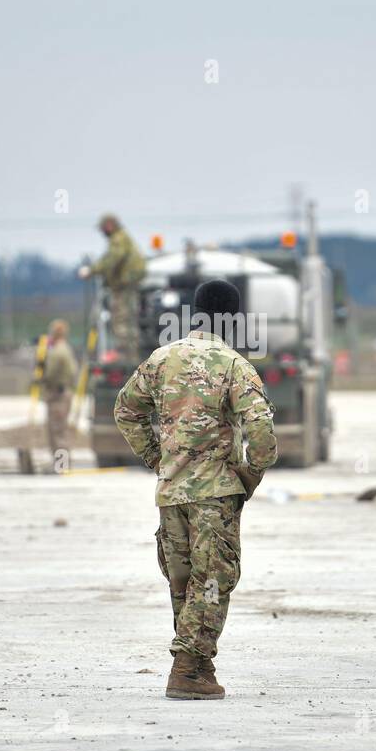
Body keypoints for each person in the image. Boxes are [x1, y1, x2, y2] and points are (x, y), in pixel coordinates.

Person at [114, 279, 277, 700]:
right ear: (234, 318)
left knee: (184, 584)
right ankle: (186, 669)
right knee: (213, 580)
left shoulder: (161, 358)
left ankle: (200, 667)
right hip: (214, 494)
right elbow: (261, 432)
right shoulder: (234, 365)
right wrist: (247, 476)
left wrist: (157, 459)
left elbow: (126, 409)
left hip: (171, 494)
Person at [77, 213, 146, 360]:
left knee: (121, 318)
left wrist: (92, 270)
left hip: (123, 286)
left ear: (109, 226)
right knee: (127, 319)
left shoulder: (118, 239)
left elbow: (112, 259)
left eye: (103, 229)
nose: (102, 232)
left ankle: (125, 354)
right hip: (126, 284)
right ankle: (129, 354)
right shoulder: (122, 238)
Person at [42, 318, 78, 470]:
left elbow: (49, 374)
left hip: (58, 395)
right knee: (60, 430)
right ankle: (61, 463)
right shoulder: (66, 349)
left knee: (58, 432)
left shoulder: (56, 352)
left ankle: (61, 465)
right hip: (65, 393)